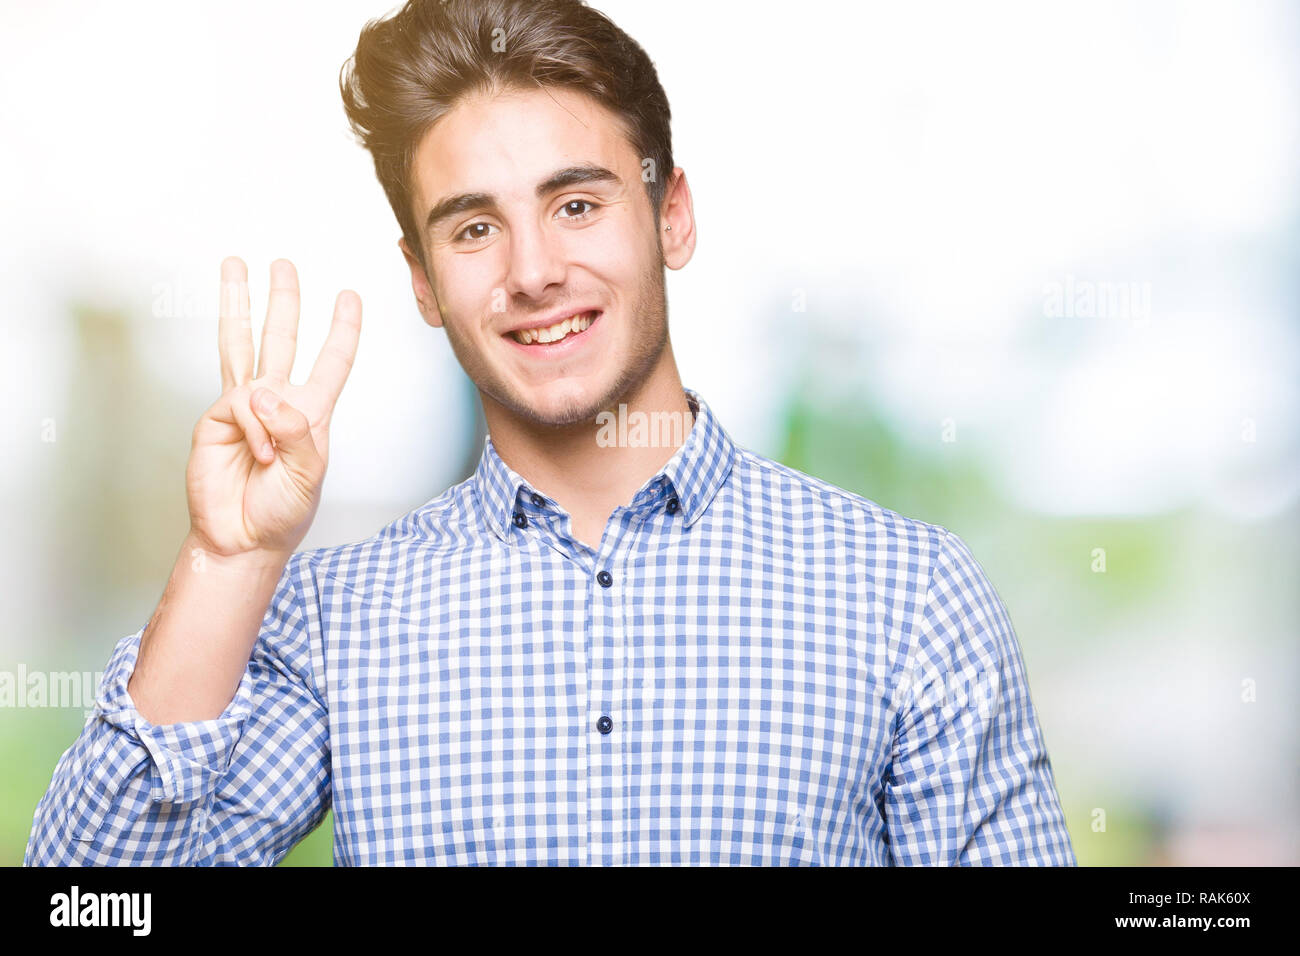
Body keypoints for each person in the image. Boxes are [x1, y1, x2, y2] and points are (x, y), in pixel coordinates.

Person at [26, 0, 1075, 866]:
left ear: (671, 216)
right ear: (425, 283)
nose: (531, 270)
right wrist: (229, 559)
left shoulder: (905, 595)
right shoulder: (336, 621)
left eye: (575, 204)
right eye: (475, 227)